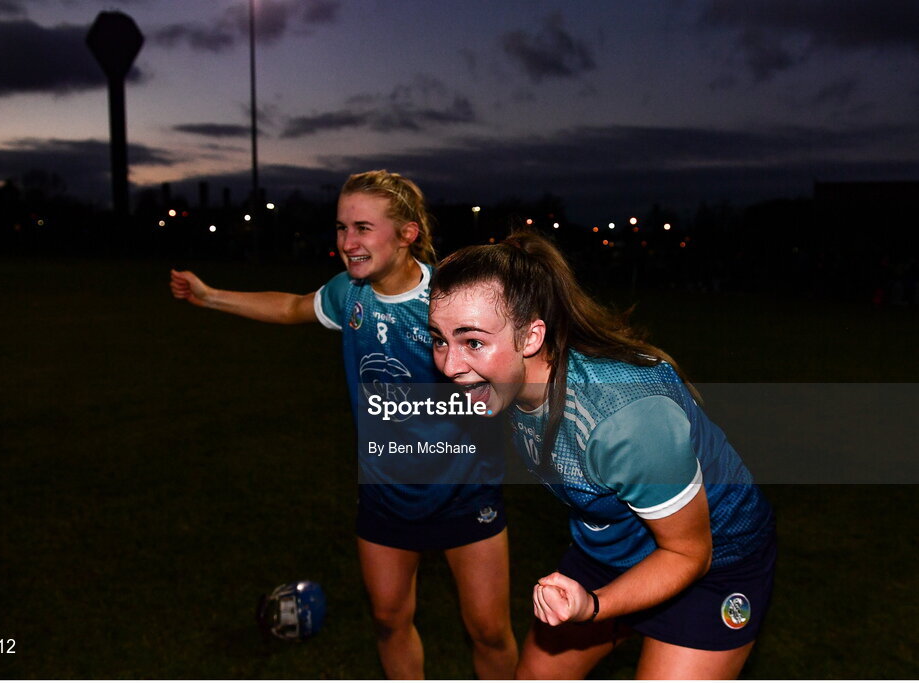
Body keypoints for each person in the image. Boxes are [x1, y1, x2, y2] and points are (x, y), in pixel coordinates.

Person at [170, 170, 517, 679]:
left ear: (406, 234)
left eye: (362, 228)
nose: (347, 243)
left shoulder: (452, 300)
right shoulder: (349, 293)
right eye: (340, 228)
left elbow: (510, 380)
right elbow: (291, 307)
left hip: (464, 490)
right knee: (387, 619)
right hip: (385, 491)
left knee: (488, 630)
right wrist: (210, 296)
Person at [427, 232, 776, 679]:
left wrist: (595, 606)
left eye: (472, 341)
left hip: (714, 565)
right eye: (439, 339)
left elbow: (690, 553)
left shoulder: (624, 419)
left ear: (532, 336)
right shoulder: (507, 384)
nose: (449, 364)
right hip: (609, 546)